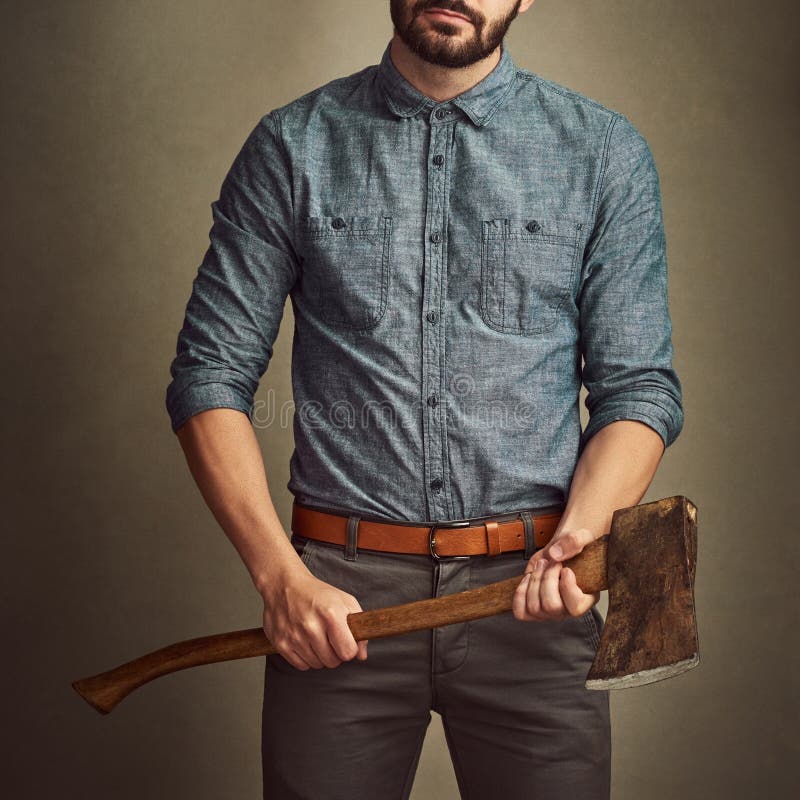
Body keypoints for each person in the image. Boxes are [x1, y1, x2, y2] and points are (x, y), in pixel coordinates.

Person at [165, 1, 684, 797]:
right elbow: (209, 374)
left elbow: (638, 389)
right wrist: (280, 581)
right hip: (337, 607)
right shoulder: (291, 146)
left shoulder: (603, 153)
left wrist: (578, 542)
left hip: (534, 604)